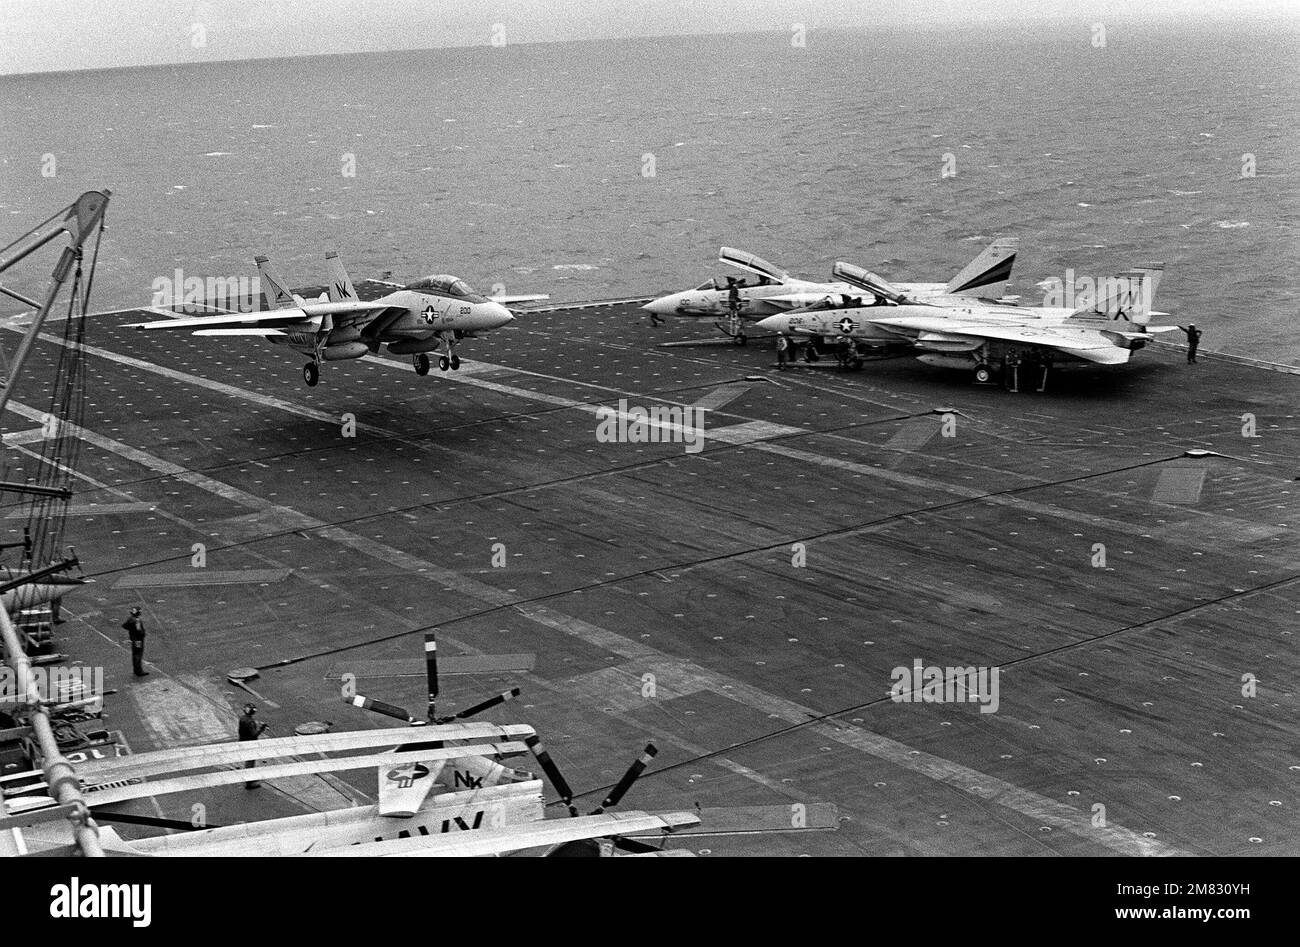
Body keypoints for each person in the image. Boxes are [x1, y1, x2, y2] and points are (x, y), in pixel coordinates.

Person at [239, 704, 269, 788]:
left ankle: (250, 778)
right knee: (250, 762)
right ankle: (249, 782)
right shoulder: (250, 722)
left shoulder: (242, 718)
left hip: (243, 741)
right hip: (250, 743)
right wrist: (261, 728)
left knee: (248, 761)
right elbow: (254, 735)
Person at [122, 606, 147, 676]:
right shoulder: (137, 621)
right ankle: (138, 671)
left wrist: (131, 630)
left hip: (133, 639)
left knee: (135, 654)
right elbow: (139, 631)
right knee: (138, 654)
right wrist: (142, 634)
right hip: (138, 640)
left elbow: (124, 626)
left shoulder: (130, 619)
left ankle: (135, 670)